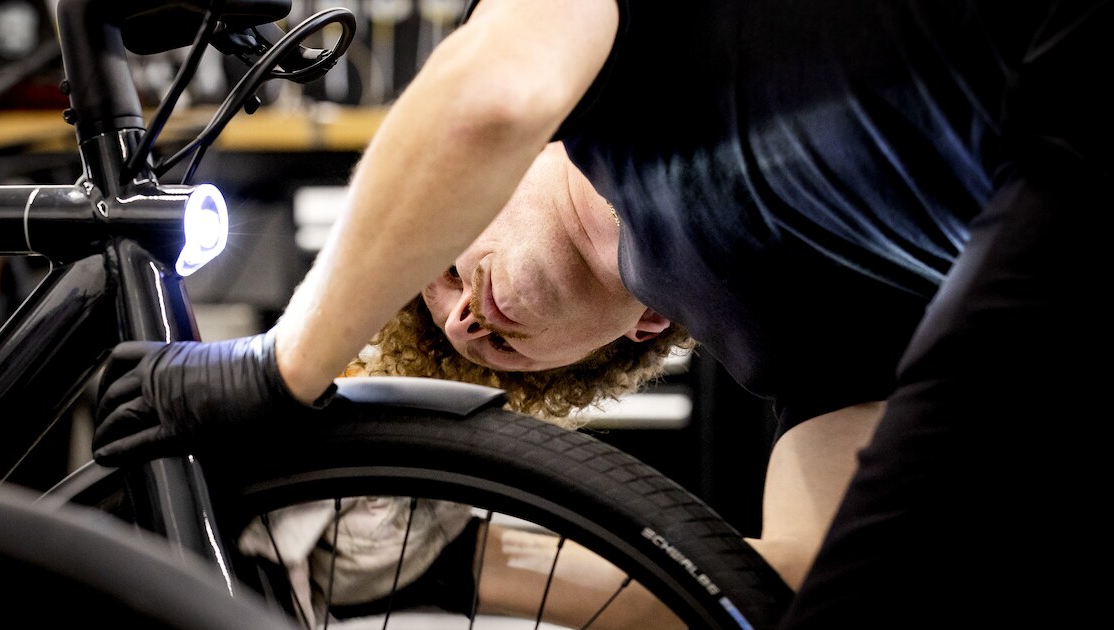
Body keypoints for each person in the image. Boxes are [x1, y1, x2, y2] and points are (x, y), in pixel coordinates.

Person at [93, 0, 1111, 627]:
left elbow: (491, 100)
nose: (460, 319)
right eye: (495, 353)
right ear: (630, 335)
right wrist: (448, 561)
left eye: (439, 268)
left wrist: (278, 369)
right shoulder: (791, 340)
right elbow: (785, 578)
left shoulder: (588, 77)